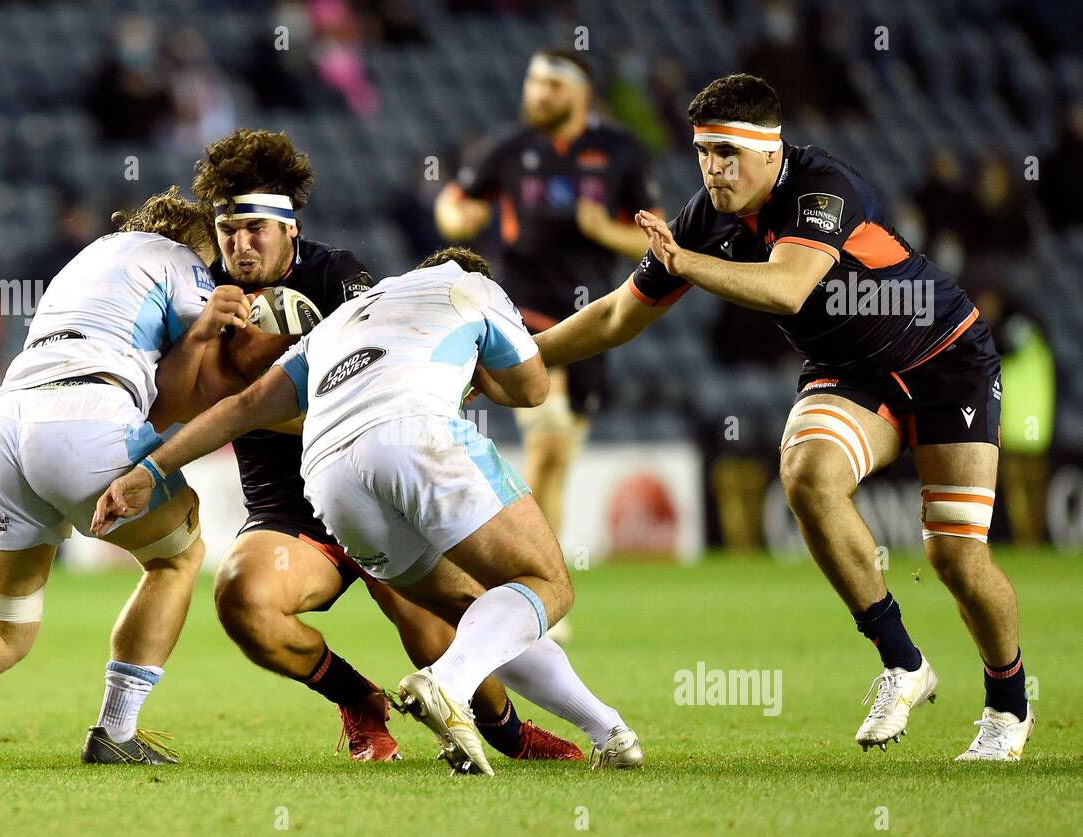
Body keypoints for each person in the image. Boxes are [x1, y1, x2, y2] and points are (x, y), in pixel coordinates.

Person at [532, 73, 1033, 762]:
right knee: (806, 473)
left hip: (947, 357)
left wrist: (689, 264)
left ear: (770, 151)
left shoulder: (823, 188)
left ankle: (1008, 706)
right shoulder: (702, 221)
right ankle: (903, 662)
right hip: (852, 374)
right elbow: (618, 314)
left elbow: (790, 287)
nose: (713, 167)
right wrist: (521, 359)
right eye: (704, 151)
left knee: (954, 556)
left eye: (728, 152)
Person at [92, 248, 644, 775]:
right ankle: (447, 683)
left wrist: (150, 470)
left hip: (329, 474)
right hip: (415, 434)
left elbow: (244, 407)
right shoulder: (471, 284)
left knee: (467, 605)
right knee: (547, 585)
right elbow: (531, 389)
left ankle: (608, 732)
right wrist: (474, 369)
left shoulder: (345, 316)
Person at [186, 129, 586, 764]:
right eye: (227, 229)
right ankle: (357, 700)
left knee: (437, 619)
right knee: (244, 601)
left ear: (291, 225)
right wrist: (203, 337)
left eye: (254, 227)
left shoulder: (341, 278)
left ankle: (507, 730)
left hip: (375, 478)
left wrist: (271, 398)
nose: (238, 244)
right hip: (293, 516)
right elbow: (185, 403)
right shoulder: (203, 296)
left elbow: (379, 384)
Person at [0, 188, 263, 768]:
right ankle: (116, 731)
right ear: (196, 243)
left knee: (3, 631)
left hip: (6, 422)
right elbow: (200, 381)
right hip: (88, 412)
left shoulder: (87, 260)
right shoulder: (182, 263)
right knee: (178, 556)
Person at [434, 49, 659, 641]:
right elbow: (454, 202)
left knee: (558, 457)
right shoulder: (508, 148)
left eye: (549, 84)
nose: (535, 93)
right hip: (522, 308)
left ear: (578, 93)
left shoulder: (620, 152)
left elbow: (654, 237)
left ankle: (538, 586)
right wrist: (459, 219)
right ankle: (529, 586)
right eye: (531, 81)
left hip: (593, 318)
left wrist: (601, 228)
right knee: (550, 430)